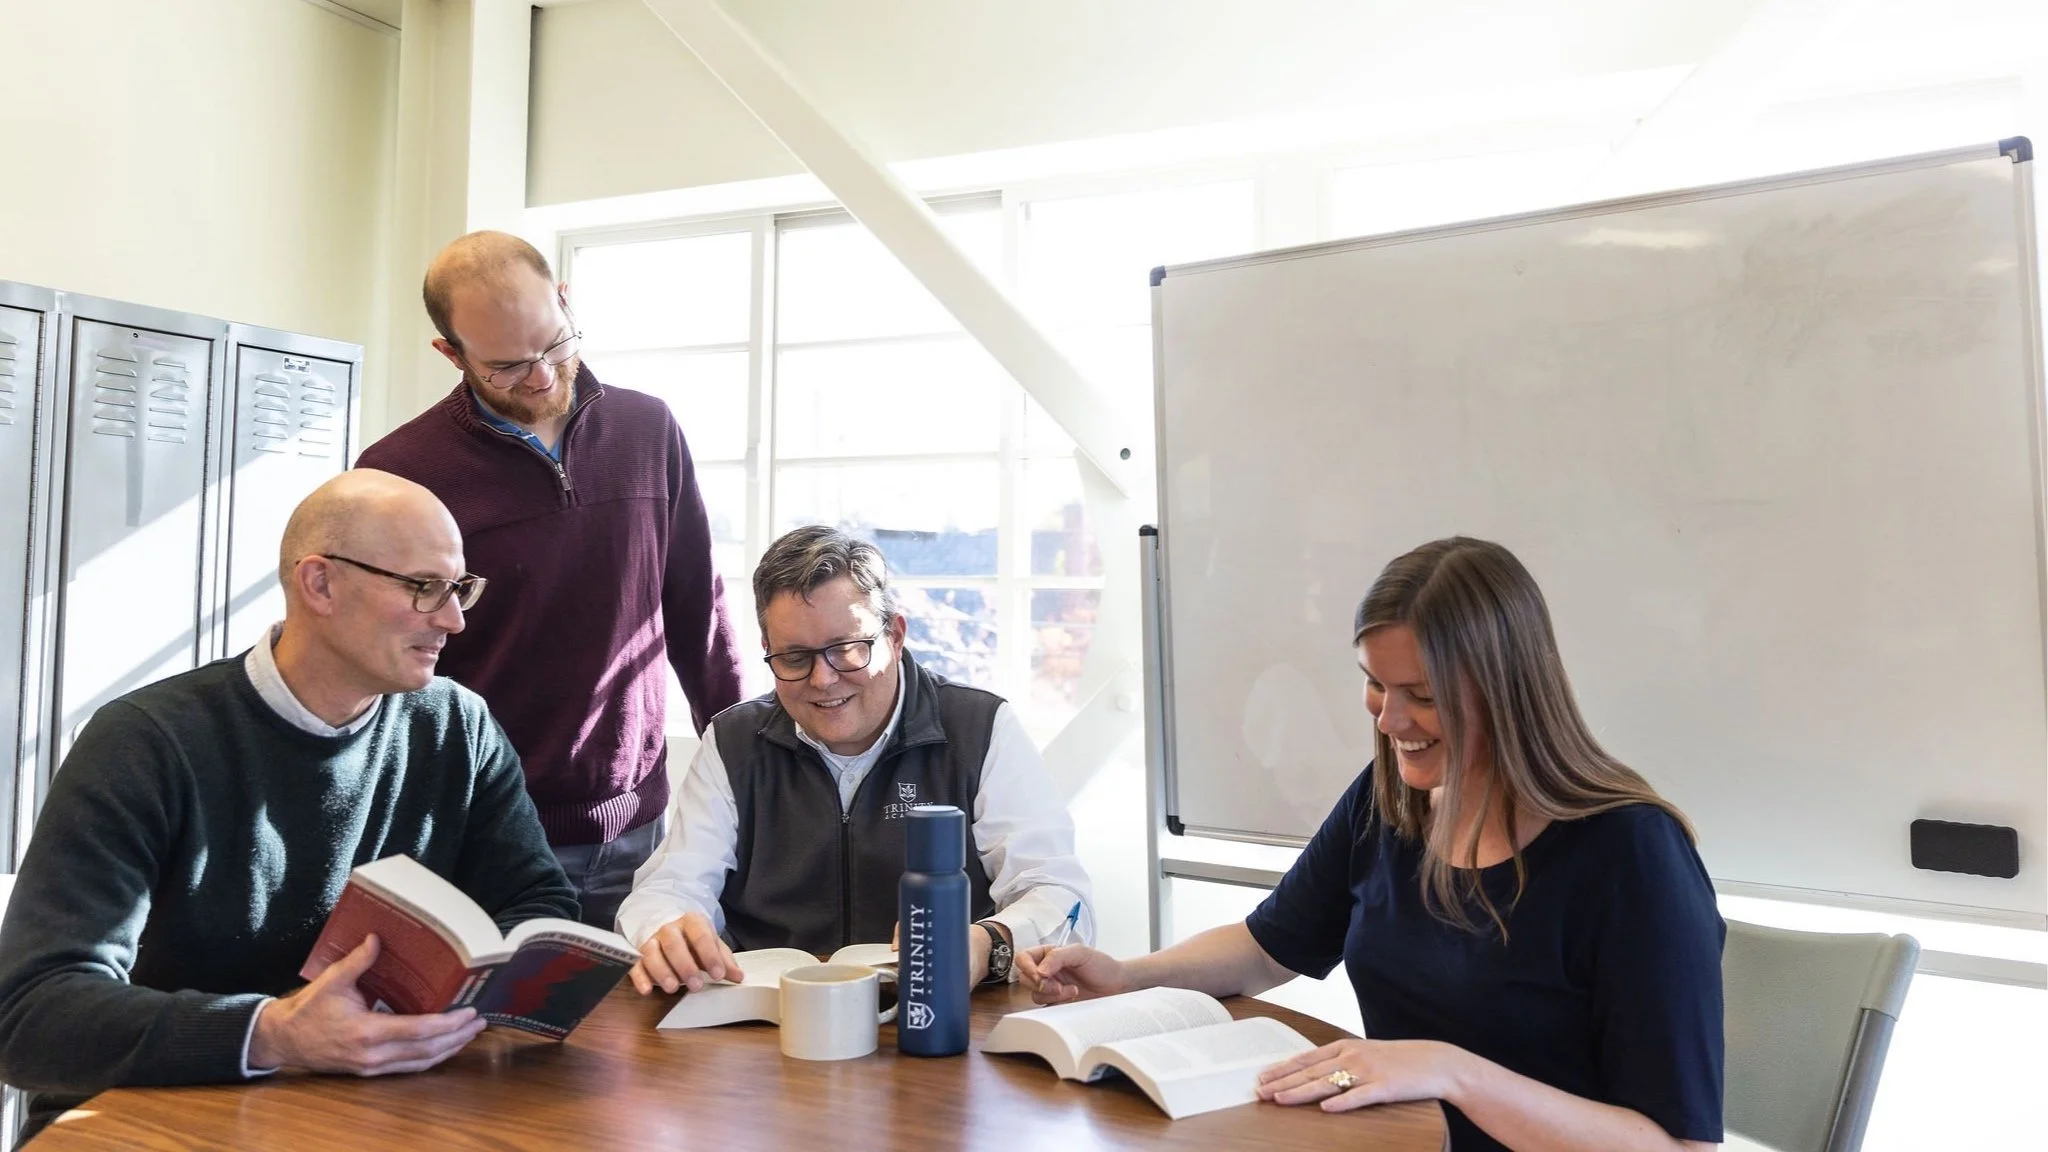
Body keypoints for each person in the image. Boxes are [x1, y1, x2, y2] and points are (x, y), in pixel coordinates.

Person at [1021, 537, 1724, 1152]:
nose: (1389, 721)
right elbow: (1268, 948)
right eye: (1374, 684)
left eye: (1421, 694)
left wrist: (1451, 1071)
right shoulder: (1389, 798)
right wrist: (1128, 977)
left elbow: (1679, 1145)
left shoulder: (1632, 854)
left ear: (1507, 690)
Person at [0, 470, 578, 1140]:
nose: (453, 620)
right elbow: (30, 1017)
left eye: (459, 588)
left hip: (360, 1109)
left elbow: (538, 904)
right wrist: (274, 1033)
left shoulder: (456, 725)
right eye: (423, 587)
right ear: (320, 584)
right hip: (146, 1119)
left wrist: (449, 994)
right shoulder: (145, 742)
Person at [356, 231, 745, 930]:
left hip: (635, 824)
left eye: (555, 345)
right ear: (451, 353)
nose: (539, 377)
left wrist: (749, 764)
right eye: (505, 366)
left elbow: (698, 607)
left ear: (565, 301)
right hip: (485, 833)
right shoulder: (400, 473)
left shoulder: (648, 429)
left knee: (633, 1005)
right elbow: (381, 665)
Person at [617, 526, 1094, 995]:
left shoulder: (980, 728)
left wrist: (989, 944)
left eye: (847, 649)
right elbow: (670, 887)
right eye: (795, 657)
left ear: (896, 636)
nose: (823, 680)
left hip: (942, 1009)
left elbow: (1059, 894)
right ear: (768, 652)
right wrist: (667, 929)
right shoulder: (732, 741)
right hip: (767, 1014)